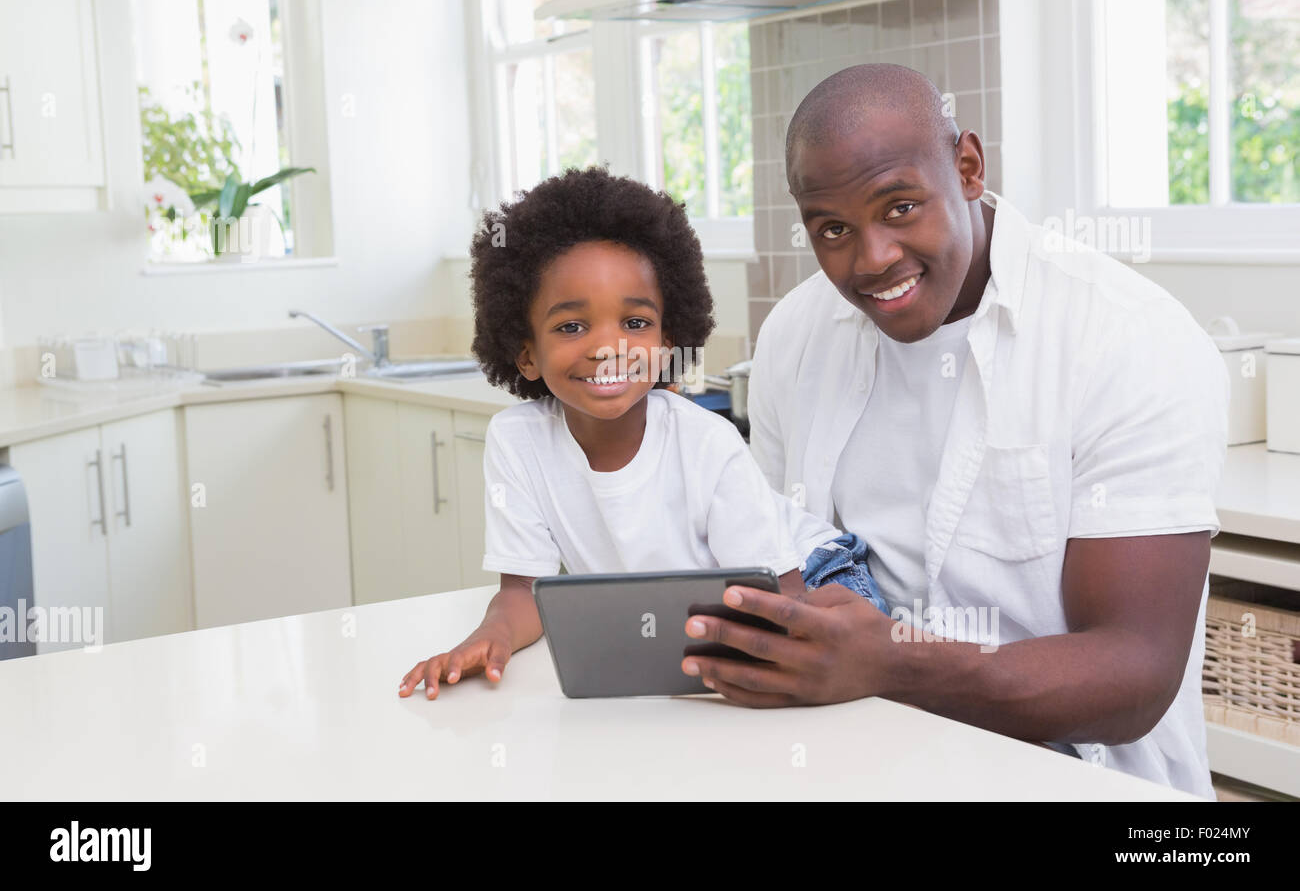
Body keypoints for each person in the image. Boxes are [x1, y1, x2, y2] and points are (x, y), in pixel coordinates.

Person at [678, 64, 1229, 799]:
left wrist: (893, 661)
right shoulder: (796, 337)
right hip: (861, 763)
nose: (872, 259)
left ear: (967, 167)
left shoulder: (1128, 339)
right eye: (833, 228)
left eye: (901, 207)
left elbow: (1134, 677)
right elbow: (785, 563)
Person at [398, 166, 886, 701]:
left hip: (813, 582)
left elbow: (780, 598)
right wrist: (488, 639)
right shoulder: (516, 442)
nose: (608, 348)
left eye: (635, 323)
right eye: (571, 326)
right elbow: (524, 595)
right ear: (526, 353)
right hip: (711, 616)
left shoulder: (705, 441)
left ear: (668, 339)